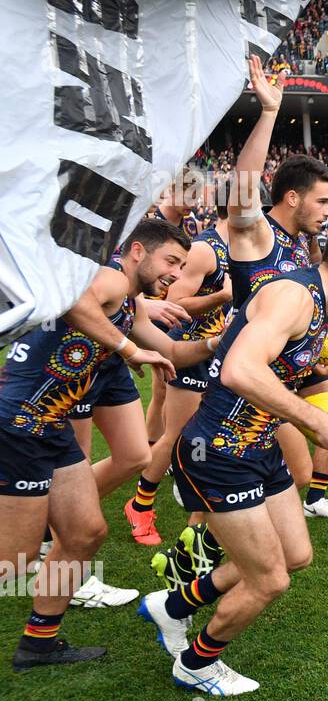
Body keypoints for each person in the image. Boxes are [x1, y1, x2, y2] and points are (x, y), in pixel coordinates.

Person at [137, 212, 328, 695]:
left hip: (258, 448)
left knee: (295, 556)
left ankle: (171, 607)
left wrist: (319, 355)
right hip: (217, 452)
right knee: (269, 579)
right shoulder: (294, 296)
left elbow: (275, 358)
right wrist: (314, 418)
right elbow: (238, 370)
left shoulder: (318, 300)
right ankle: (195, 663)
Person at [1, 219, 214, 671]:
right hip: (20, 422)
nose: (176, 273)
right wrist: (130, 351)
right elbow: (76, 302)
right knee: (13, 561)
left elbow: (174, 352)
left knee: (84, 533)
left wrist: (222, 340)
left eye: (181, 264)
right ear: (138, 251)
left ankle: (38, 645)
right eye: (170, 261)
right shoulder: (111, 276)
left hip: (49, 423)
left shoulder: (130, 300)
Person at [225, 55, 328, 520]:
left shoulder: (301, 246)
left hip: (290, 357)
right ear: (292, 198)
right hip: (250, 362)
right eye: (324, 201)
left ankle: (311, 500)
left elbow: (305, 303)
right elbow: (242, 192)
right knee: (249, 464)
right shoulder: (259, 235)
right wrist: (269, 111)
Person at [125, 201, 232, 545]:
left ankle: (199, 508)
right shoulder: (205, 249)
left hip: (217, 349)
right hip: (188, 350)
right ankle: (140, 504)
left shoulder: (244, 250)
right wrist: (223, 296)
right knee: (178, 433)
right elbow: (175, 301)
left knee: (210, 432)